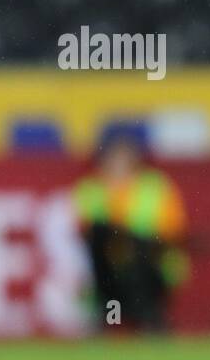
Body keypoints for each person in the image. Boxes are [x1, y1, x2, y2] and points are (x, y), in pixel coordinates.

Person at [74, 129, 188, 332]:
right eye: (114, 157)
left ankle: (149, 320)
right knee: (104, 244)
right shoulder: (91, 189)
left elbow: (173, 230)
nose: (118, 163)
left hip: (152, 262)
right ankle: (111, 321)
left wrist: (129, 239)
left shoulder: (155, 187)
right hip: (108, 268)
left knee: (137, 254)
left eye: (124, 157)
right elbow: (85, 232)